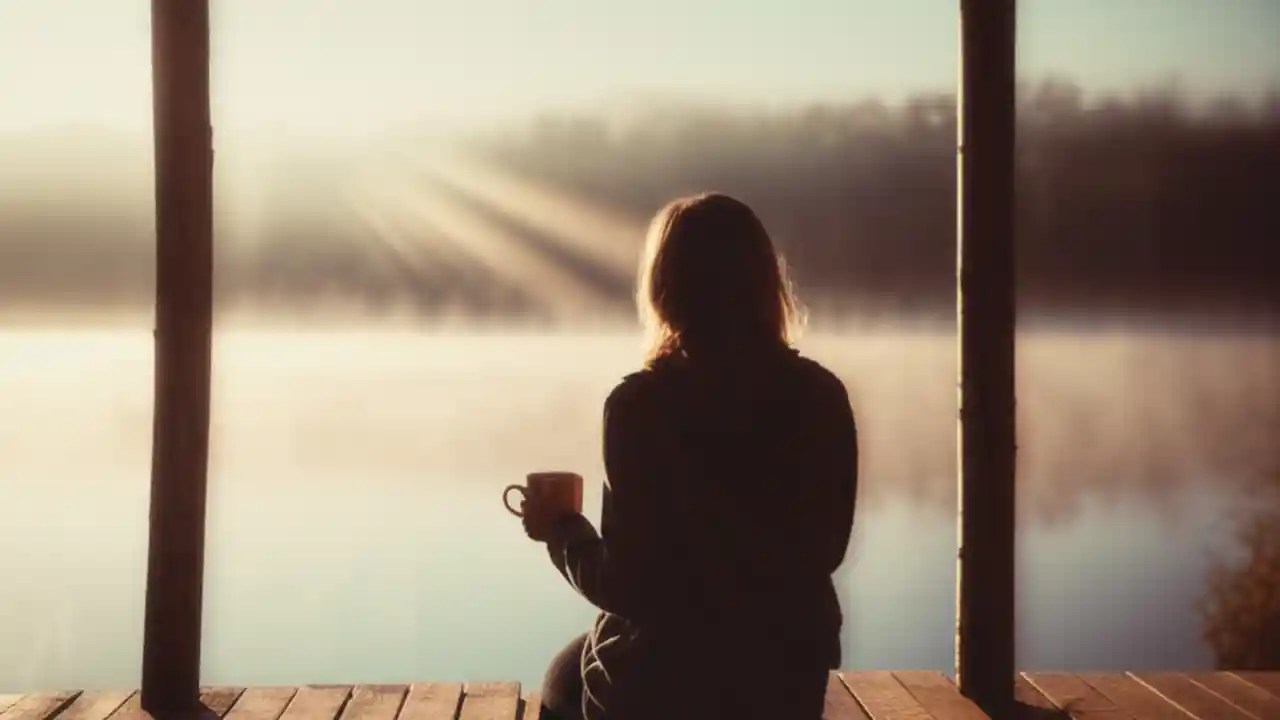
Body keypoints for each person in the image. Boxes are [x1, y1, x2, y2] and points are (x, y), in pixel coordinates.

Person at [516, 193, 858, 720]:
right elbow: (827, 551)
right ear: (766, 283)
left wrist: (561, 531)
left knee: (560, 680)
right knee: (571, 664)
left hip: (664, 688)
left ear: (664, 289)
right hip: (783, 687)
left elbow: (627, 585)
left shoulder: (639, 407)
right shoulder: (823, 395)